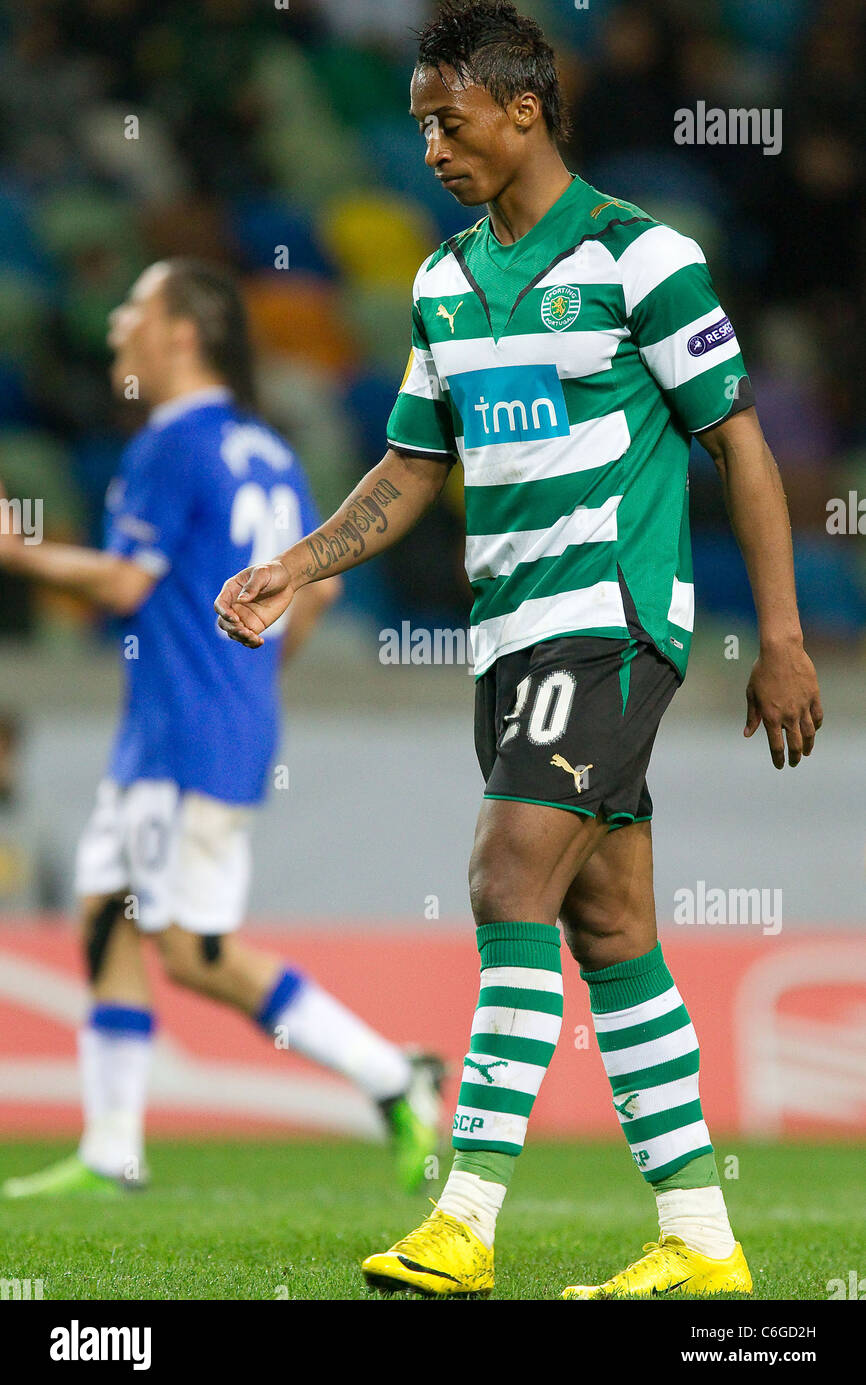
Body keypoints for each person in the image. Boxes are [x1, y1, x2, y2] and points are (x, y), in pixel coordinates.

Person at [214, 1, 823, 1300]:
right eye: (420, 122)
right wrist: (297, 564)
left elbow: (742, 443)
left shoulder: (637, 256)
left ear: (525, 110)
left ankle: (465, 1217)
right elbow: (408, 465)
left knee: (505, 877)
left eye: (450, 119)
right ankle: (702, 1245)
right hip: (507, 639)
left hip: (607, 621)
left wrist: (776, 633)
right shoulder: (442, 281)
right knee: (609, 928)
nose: (429, 145)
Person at [0, 258, 442, 1200]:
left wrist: (15, 554)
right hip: (194, 724)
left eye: (134, 306)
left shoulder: (171, 443)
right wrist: (249, 683)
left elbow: (127, 584)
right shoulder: (268, 449)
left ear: (181, 333)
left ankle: (392, 1074)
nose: (117, 323)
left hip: (184, 736)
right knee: (107, 911)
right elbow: (318, 588)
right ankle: (112, 1144)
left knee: (193, 953)